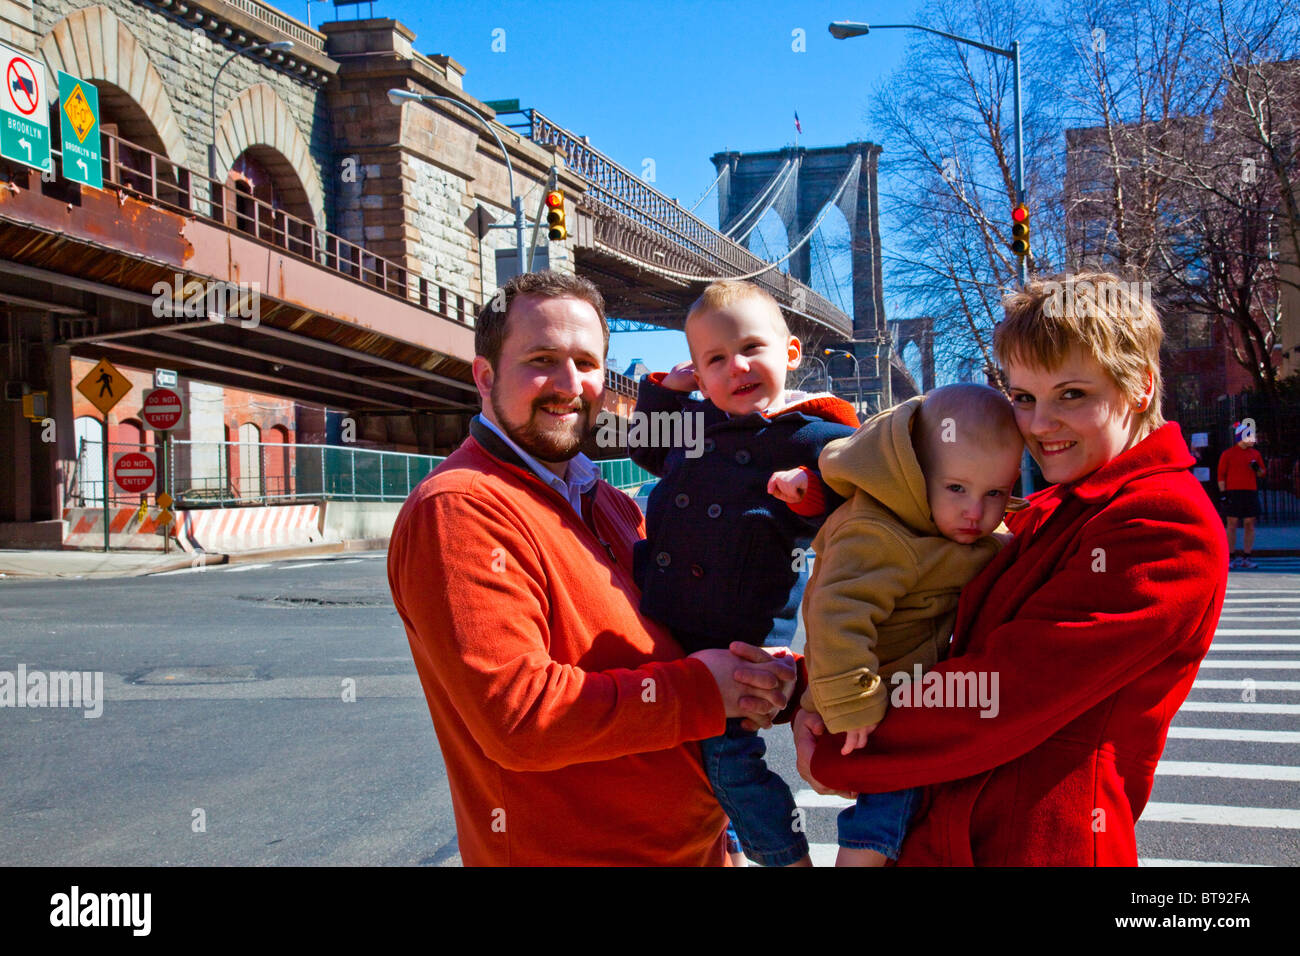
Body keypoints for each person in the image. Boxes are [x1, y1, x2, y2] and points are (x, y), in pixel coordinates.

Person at [794, 271, 1229, 865]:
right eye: (1024, 398)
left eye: (1071, 394)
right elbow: (928, 631)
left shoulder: (1162, 524)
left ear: (1141, 388)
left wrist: (839, 738)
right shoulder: (1059, 505)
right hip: (956, 829)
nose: (1039, 425)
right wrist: (808, 687)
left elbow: (999, 693)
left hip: (1037, 842)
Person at [387, 270, 798, 866]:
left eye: (586, 362)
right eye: (542, 359)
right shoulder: (461, 507)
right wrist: (706, 691)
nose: (568, 384)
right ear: (485, 376)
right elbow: (521, 717)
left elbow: (681, 634)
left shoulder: (603, 498)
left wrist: (781, 679)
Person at [631, 280, 858, 867]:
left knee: (730, 758)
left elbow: (859, 487)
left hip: (740, 642)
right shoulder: (694, 421)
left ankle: (782, 854)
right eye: (714, 359)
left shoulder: (809, 432)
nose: (737, 367)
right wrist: (663, 389)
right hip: (665, 630)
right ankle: (725, 846)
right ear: (700, 375)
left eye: (753, 347)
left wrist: (811, 492)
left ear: (790, 353)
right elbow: (643, 448)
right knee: (687, 761)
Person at [800, 384, 1023, 866]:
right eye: (957, 489)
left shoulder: (926, 519)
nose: (975, 512)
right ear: (915, 474)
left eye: (996, 494)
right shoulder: (879, 532)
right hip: (872, 697)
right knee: (886, 806)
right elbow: (835, 611)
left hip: (896, 684)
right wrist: (850, 700)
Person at [1218, 423, 1265, 569]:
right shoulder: (1228, 454)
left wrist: (1256, 468)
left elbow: (1262, 473)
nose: (1253, 439)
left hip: (1250, 491)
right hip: (1234, 492)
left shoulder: (1255, 454)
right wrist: (1223, 494)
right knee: (1231, 524)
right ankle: (1231, 556)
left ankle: (1246, 557)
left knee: (1249, 523)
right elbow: (1221, 475)